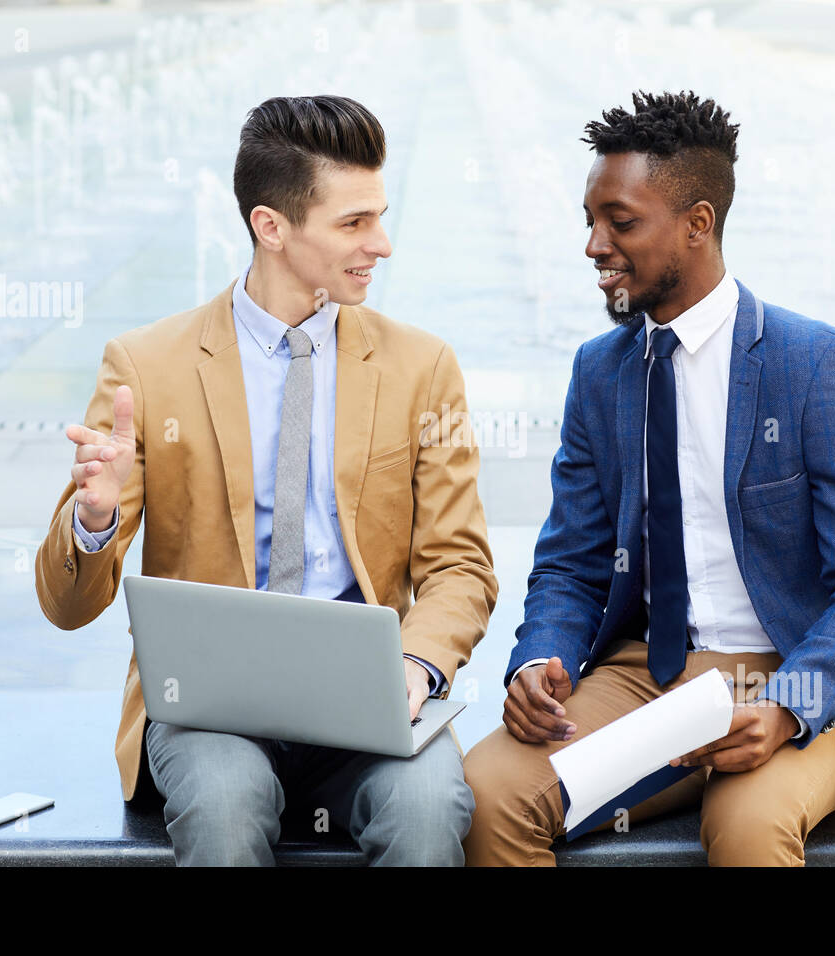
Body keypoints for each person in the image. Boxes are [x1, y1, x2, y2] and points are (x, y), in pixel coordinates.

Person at [34, 94, 497, 866]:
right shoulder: (146, 368)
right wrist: (94, 520)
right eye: (353, 224)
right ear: (271, 227)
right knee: (223, 802)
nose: (380, 244)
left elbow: (460, 566)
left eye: (379, 216)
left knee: (429, 807)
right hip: (212, 710)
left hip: (369, 706)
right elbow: (67, 607)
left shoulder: (424, 368)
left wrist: (413, 669)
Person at [462, 90, 835, 866]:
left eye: (621, 222)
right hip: (648, 672)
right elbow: (572, 562)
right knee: (484, 796)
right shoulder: (600, 372)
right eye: (589, 221)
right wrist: (539, 658)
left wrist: (788, 704)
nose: (594, 245)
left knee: (746, 826)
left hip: (797, 671)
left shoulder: (814, 364)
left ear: (698, 224)